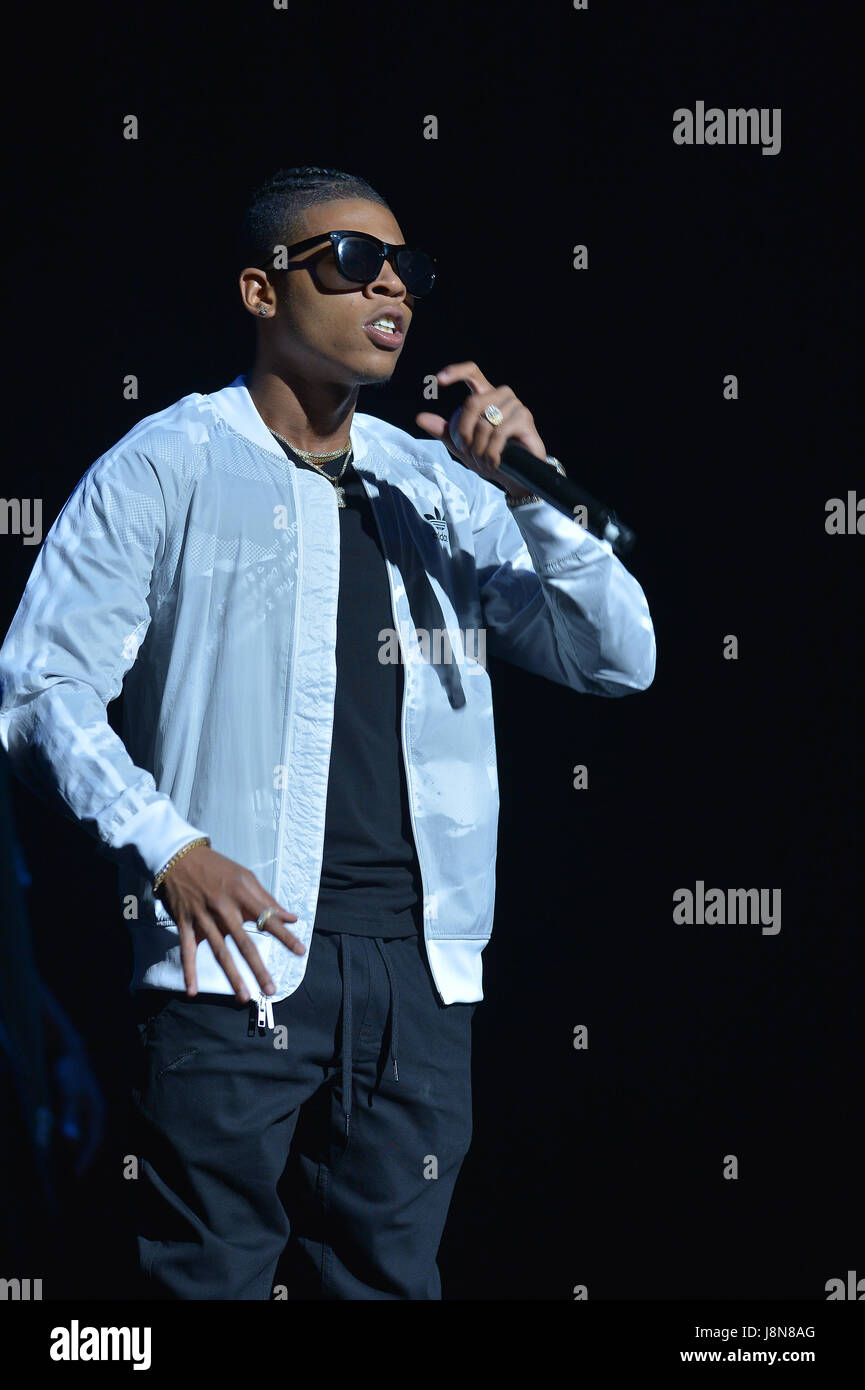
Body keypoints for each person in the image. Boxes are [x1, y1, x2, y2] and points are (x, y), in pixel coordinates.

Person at [0, 165, 656, 1300]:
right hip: (237, 963)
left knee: (387, 1283)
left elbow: (617, 658)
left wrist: (538, 495)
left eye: (407, 265)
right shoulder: (169, 463)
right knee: (203, 1280)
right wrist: (167, 845)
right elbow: (39, 686)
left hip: (421, 970)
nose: (390, 283)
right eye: (353, 260)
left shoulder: (442, 487)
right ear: (262, 290)